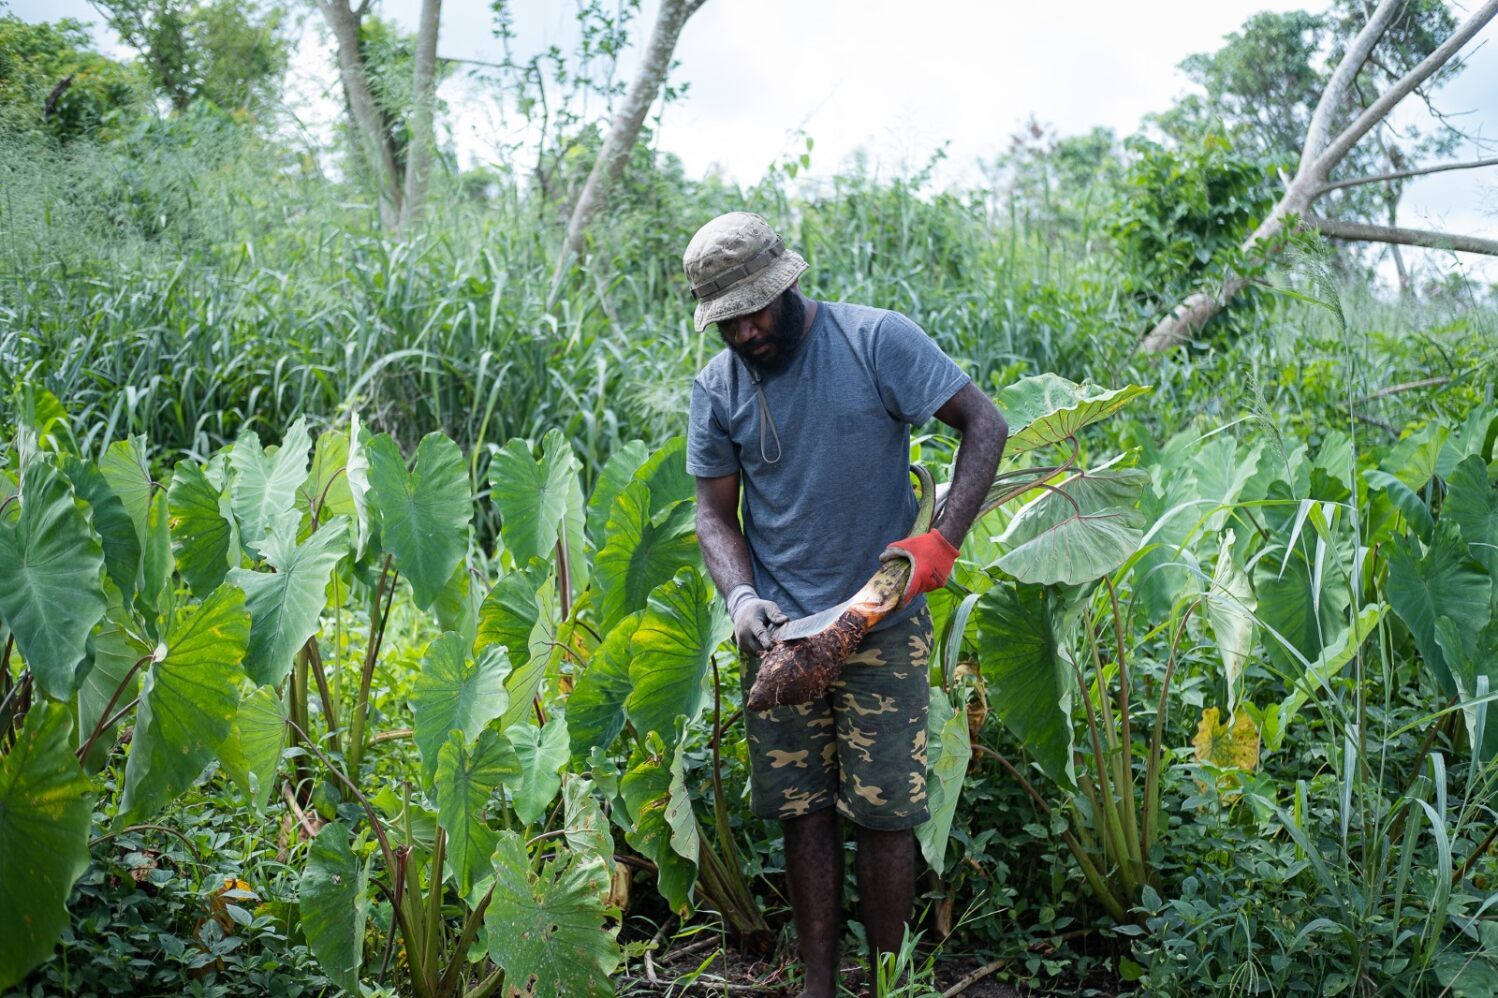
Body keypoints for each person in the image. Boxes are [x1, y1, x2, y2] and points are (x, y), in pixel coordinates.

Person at [684, 211, 1007, 996]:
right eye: (728, 319)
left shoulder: (875, 341)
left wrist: (942, 541)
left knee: (887, 812)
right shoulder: (718, 388)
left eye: (757, 308)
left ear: (789, 283)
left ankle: (886, 984)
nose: (747, 330)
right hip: (783, 632)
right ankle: (820, 985)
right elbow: (713, 516)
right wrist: (742, 599)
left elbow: (985, 425)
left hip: (880, 617)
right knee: (803, 810)